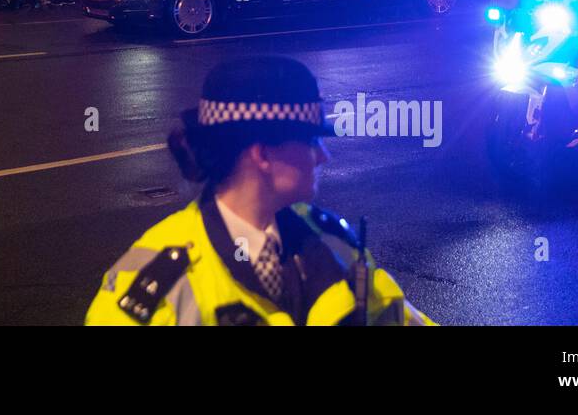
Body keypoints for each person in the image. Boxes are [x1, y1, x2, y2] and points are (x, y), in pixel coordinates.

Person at [86, 56, 434, 326]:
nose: (322, 156)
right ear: (263, 154)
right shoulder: (153, 287)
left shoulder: (332, 242)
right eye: (310, 140)